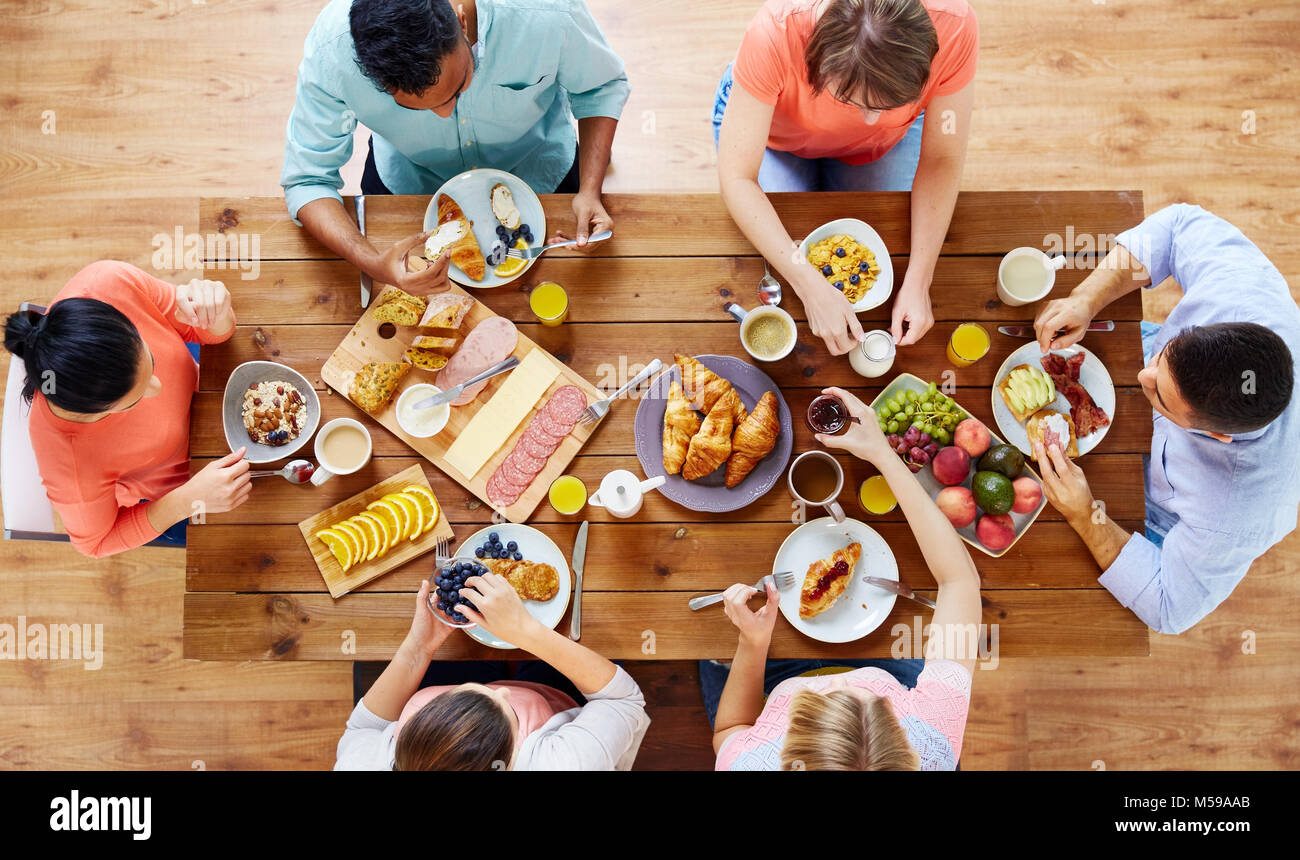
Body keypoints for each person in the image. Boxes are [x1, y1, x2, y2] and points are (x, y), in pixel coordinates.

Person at [1030, 204, 1299, 635]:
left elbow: (1169, 607)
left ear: (1214, 434)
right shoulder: (1245, 292)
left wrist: (1085, 514)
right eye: (1163, 358)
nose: (1141, 377)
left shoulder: (1235, 513)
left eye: (1159, 395)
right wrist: (1086, 298)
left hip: (1168, 502)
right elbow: (1175, 228)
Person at [704, 386, 981, 770]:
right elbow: (960, 583)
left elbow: (731, 729)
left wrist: (752, 642)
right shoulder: (932, 738)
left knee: (710, 651)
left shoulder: (748, 763)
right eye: (874, 698)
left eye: (822, 694)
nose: (840, 678)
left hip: (769, 675)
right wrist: (884, 454)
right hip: (892, 660)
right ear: (904, 741)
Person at [282, 0, 630, 296]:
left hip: (542, 170)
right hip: (406, 186)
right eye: (414, 108)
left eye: (458, 85)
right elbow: (307, 181)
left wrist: (589, 190)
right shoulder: (333, 52)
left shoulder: (544, 11)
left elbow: (599, 87)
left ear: (461, 21)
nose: (445, 113)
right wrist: (373, 262)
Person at [715, 0, 978, 355]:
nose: (870, 121)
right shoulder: (774, 32)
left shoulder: (956, 25)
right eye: (851, 101)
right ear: (819, 57)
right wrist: (808, 283)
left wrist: (919, 279)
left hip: (886, 145)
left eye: (886, 106)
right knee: (779, 237)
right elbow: (737, 177)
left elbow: (943, 157)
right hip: (776, 138)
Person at [3, 261, 249, 558]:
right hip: (203, 480)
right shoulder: (71, 462)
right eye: (134, 400)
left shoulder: (109, 283)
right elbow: (96, 543)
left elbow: (213, 334)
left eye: (151, 361)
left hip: (223, 395)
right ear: (92, 415)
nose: (159, 388)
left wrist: (215, 313)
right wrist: (187, 501)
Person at [336, 574, 650, 770]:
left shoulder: (363, 764)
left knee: (466, 646)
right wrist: (526, 632)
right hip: (558, 703)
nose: (502, 689)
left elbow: (363, 728)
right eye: (507, 709)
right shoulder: (565, 763)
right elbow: (623, 700)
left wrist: (419, 647)